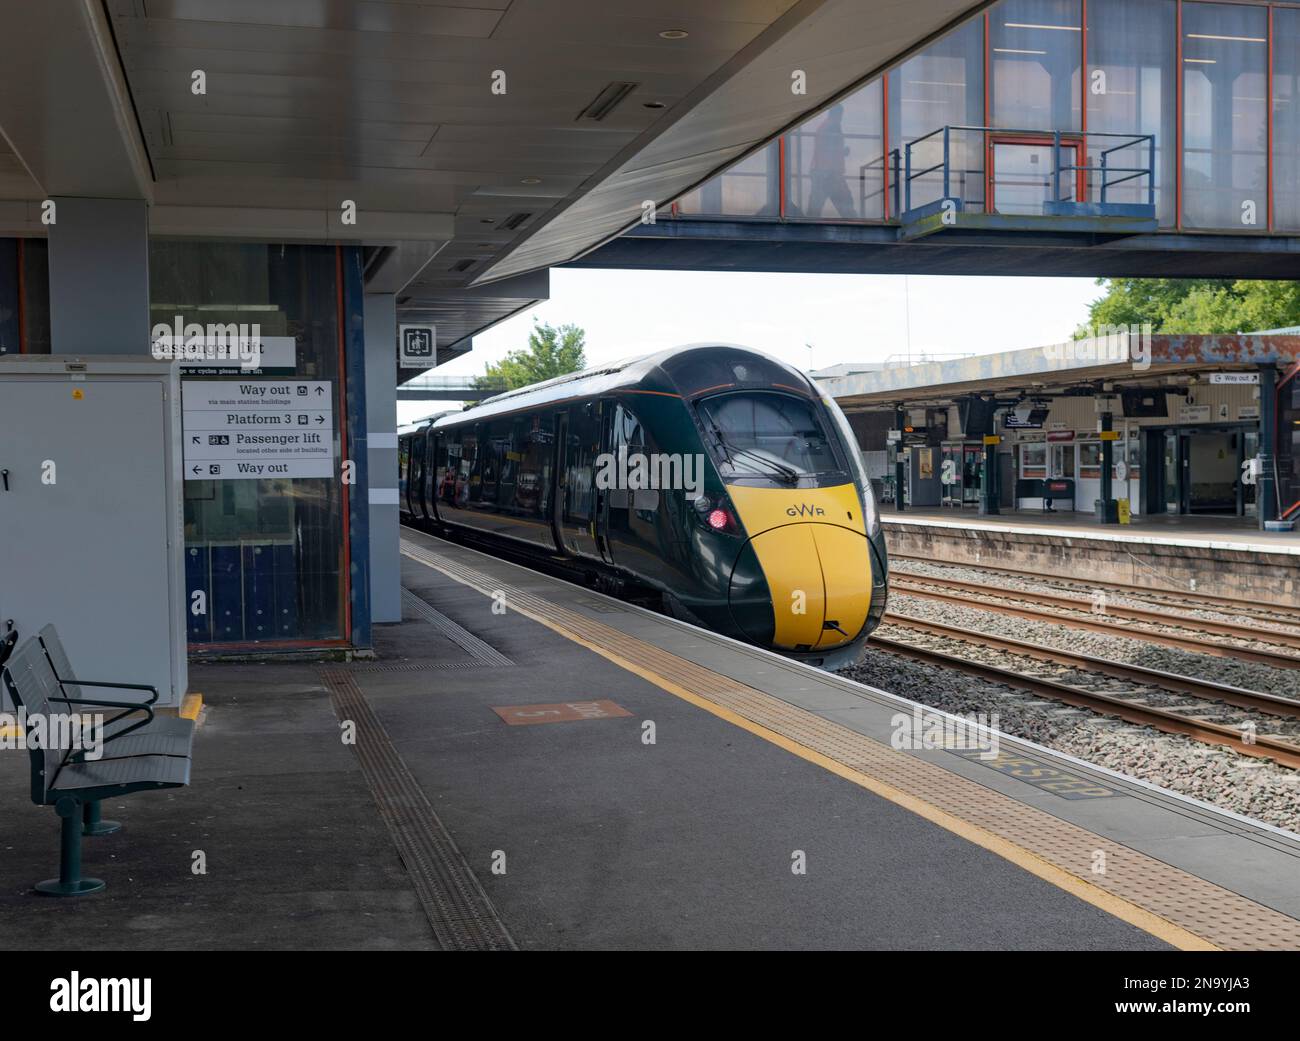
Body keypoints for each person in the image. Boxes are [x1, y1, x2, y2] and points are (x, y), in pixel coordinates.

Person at [806, 106, 855, 219]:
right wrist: (843, 152)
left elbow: (827, 148)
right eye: (840, 115)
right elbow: (829, 148)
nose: (841, 118)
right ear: (837, 114)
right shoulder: (832, 126)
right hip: (829, 172)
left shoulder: (825, 126)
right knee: (846, 203)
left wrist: (841, 152)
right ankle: (857, 228)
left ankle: (810, 225)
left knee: (815, 206)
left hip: (821, 171)